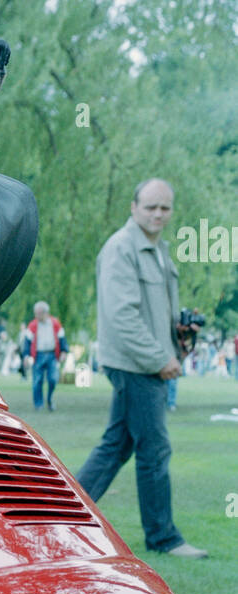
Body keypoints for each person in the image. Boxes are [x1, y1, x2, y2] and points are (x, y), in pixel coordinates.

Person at [76, 179, 207, 557]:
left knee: (116, 446)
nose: (158, 214)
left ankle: (59, 519)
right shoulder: (122, 248)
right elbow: (122, 317)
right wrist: (160, 358)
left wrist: (178, 333)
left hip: (146, 360)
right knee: (155, 448)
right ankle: (163, 538)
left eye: (165, 208)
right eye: (151, 207)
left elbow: (152, 312)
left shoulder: (158, 249)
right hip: (135, 364)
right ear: (134, 207)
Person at [24, 301, 68, 410]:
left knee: (53, 379)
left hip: (52, 355)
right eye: (36, 313)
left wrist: (64, 351)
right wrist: (26, 355)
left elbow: (62, 339)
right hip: (38, 355)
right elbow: (27, 342)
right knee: (37, 381)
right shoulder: (33, 325)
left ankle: (49, 399)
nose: (36, 316)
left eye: (38, 313)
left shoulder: (55, 323)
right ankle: (39, 404)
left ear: (45, 313)